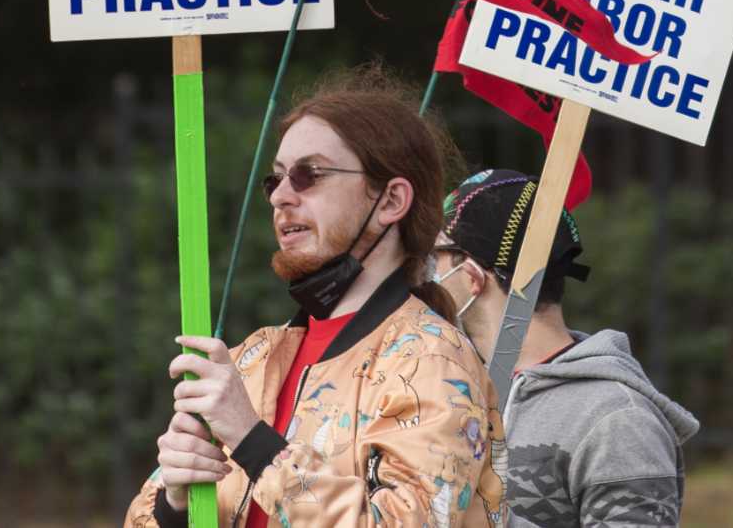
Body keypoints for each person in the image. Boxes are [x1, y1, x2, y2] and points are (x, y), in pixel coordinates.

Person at [126, 68, 508, 527]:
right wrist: (175, 507)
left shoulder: (433, 359)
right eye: (276, 179)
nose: (281, 197)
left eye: (310, 175)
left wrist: (252, 441)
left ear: (390, 201)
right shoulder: (249, 360)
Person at [431, 168, 698, 527]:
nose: (428, 273)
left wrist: (484, 517)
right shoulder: (451, 393)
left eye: (437, 256)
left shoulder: (617, 420)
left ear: (472, 275)